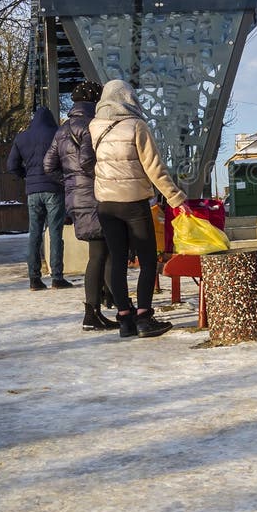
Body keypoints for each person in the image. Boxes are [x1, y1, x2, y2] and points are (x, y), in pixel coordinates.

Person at [89, 79, 189, 339]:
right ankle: (144, 316)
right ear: (129, 99)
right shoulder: (137, 126)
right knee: (146, 261)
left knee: (118, 261)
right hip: (134, 203)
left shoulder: (95, 127)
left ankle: (124, 318)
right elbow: (154, 168)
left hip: (106, 204)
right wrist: (177, 198)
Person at [43, 81, 119, 332]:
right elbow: (88, 161)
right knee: (104, 254)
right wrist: (102, 178)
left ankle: (102, 310)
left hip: (77, 199)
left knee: (99, 253)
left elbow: (48, 166)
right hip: (95, 196)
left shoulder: (62, 130)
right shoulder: (90, 126)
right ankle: (109, 311)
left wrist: (70, 183)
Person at [7, 107, 73, 291]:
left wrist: (27, 177)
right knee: (55, 234)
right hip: (54, 188)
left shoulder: (22, 137)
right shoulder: (57, 133)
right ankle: (57, 277)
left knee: (34, 234)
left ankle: (34, 279)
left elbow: (11, 165)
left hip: (33, 192)